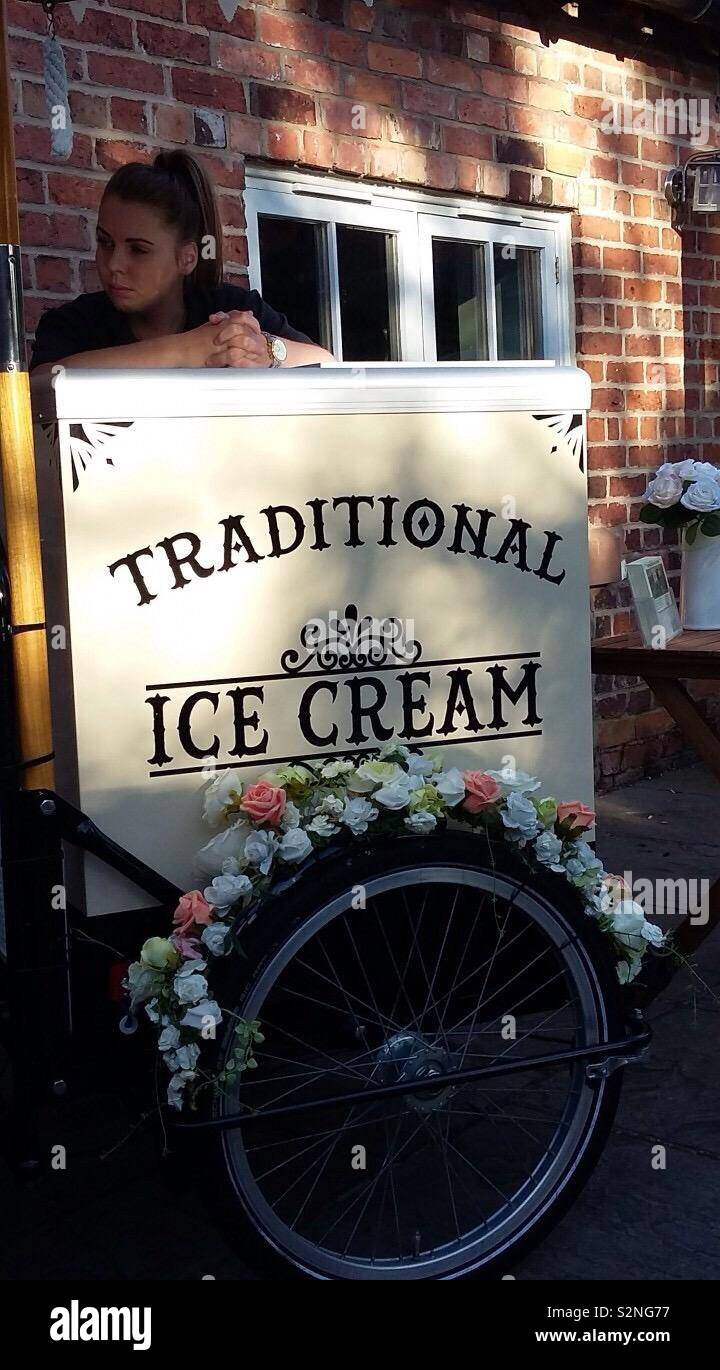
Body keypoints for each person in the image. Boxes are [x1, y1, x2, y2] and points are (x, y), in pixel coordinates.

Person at [29, 150, 335, 376]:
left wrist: (266, 349)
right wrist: (188, 349)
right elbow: (43, 383)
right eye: (105, 242)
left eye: (138, 249)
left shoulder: (228, 304)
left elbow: (327, 363)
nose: (114, 264)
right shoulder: (76, 323)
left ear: (186, 258)